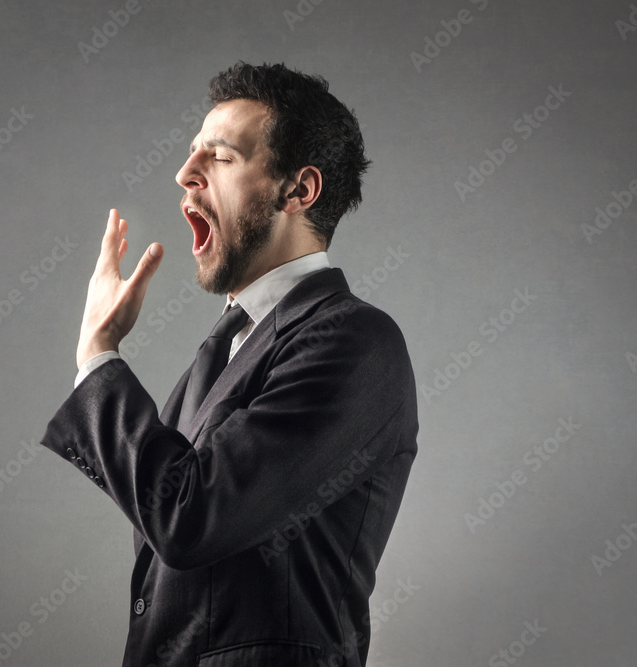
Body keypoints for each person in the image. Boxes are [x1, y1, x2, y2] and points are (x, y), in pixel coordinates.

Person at [40, 61, 418, 666]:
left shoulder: (355, 343)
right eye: (193, 154)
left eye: (219, 157)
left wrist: (98, 356)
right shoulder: (223, 350)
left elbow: (189, 519)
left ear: (299, 191)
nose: (184, 174)